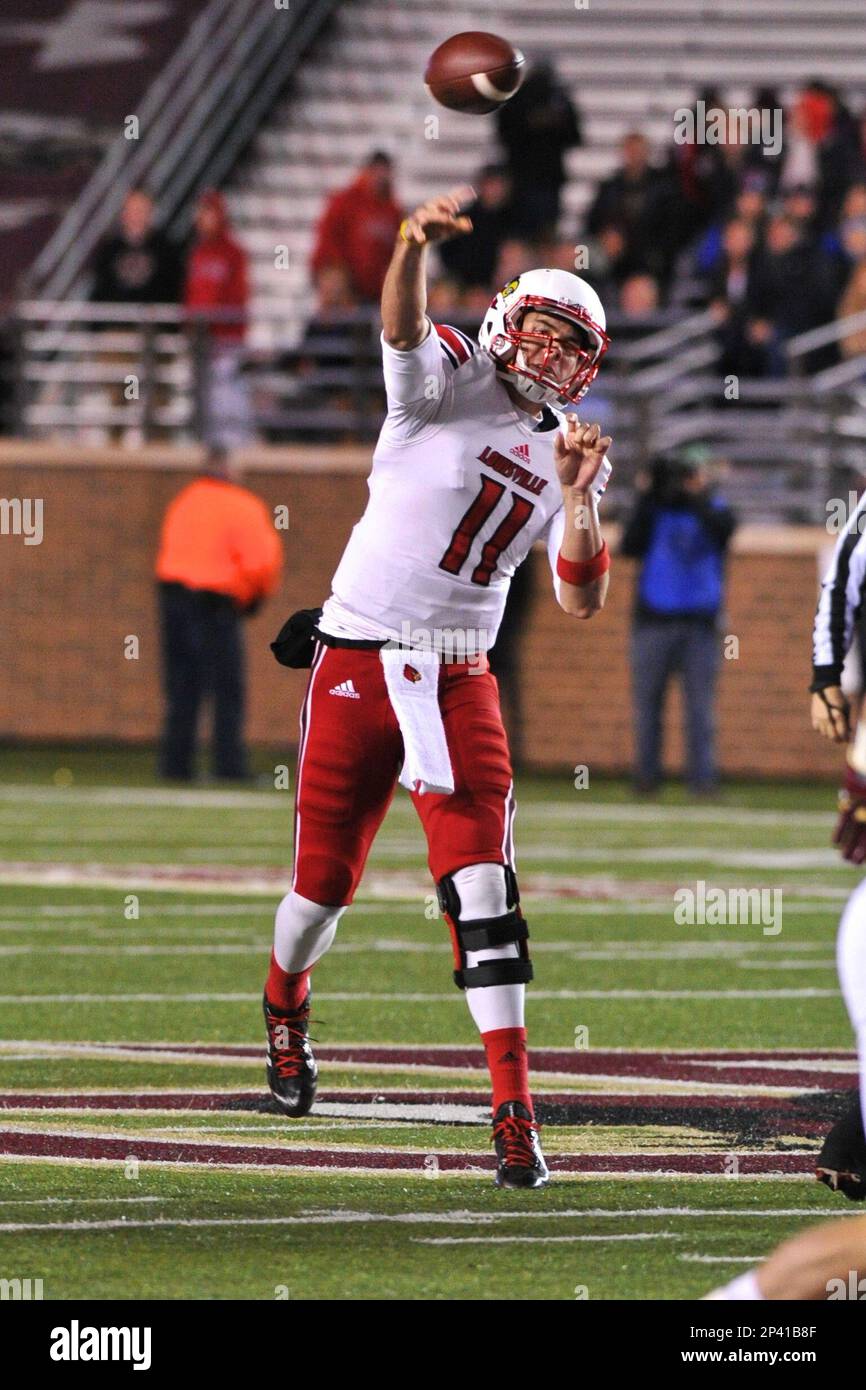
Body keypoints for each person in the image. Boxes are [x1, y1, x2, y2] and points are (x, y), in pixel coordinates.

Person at [262, 185, 614, 1190]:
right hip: (358, 666)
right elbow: (401, 324)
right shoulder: (441, 379)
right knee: (320, 887)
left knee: (484, 893)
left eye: (567, 348)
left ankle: (512, 1111)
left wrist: (582, 501)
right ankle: (284, 1000)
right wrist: (411, 242)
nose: (547, 358)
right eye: (539, 334)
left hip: (459, 679)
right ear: (505, 320)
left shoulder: (570, 451)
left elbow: (581, 597)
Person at [155, 447, 282, 782]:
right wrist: (252, 597)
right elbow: (260, 563)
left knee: (183, 687)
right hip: (215, 605)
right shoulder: (242, 505)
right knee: (227, 689)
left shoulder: (184, 501)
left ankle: (175, 766)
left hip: (173, 600)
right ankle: (230, 766)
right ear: (228, 469)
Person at [621, 456, 737, 797]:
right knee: (646, 707)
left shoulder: (714, 506)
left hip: (700, 624)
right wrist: (647, 494)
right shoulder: (655, 508)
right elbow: (629, 545)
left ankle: (702, 782)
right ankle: (646, 779)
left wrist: (695, 495)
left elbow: (723, 531)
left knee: (700, 709)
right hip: (653, 620)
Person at [184, 189, 252, 448]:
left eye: (208, 212)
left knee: (227, 401)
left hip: (225, 342)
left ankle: (234, 450)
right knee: (204, 403)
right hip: (201, 343)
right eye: (201, 212)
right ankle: (207, 449)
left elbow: (237, 298)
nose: (203, 218)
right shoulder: (197, 252)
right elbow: (192, 296)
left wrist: (229, 332)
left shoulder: (233, 253)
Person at [496, 61, 581, 241]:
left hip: (548, 181)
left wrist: (553, 123)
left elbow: (575, 136)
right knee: (521, 233)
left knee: (545, 233)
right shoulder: (517, 102)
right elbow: (504, 134)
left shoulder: (559, 101)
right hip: (522, 179)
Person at [310, 151, 403, 304]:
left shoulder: (393, 210)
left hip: (376, 290)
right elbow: (327, 241)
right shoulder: (345, 202)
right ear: (367, 172)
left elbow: (396, 251)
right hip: (347, 283)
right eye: (376, 172)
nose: (380, 178)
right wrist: (338, 270)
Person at [91, 188, 182, 307]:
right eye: (132, 210)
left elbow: (173, 289)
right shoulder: (109, 249)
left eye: (141, 210)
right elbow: (101, 290)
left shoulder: (166, 248)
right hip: (117, 321)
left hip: (154, 322)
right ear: (123, 214)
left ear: (151, 213)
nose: (136, 216)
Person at [438, 165, 514, 292]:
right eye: (490, 184)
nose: (494, 190)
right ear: (481, 186)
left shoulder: (516, 219)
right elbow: (447, 253)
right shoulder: (464, 220)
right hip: (466, 285)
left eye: (498, 185)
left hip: (505, 286)